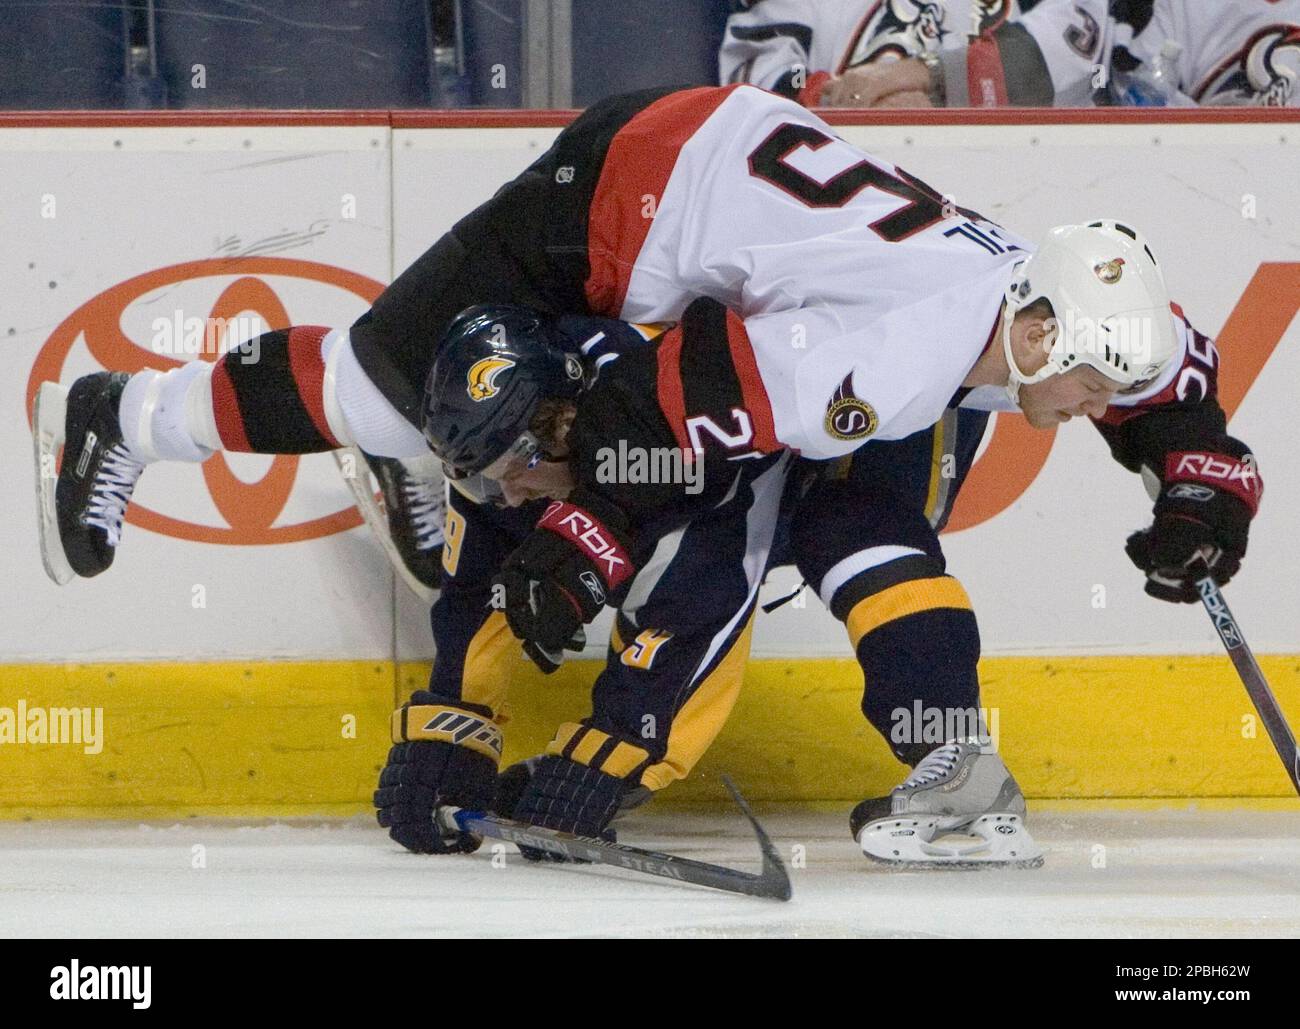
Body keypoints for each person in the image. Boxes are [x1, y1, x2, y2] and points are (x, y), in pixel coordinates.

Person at [33, 82, 1260, 865]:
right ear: (1035, 332)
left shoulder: (1046, 305)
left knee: (845, 527)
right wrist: (585, 547)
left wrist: (1198, 491)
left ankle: (945, 753)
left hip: (731, 206)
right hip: (634, 189)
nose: (1098, 411)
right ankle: (128, 414)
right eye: (1089, 391)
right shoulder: (878, 366)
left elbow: (1173, 388)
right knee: (385, 387)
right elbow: (665, 412)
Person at [720, 0, 1300, 108]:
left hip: (1052, 226)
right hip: (860, 219)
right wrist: (847, 108)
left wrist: (935, 80)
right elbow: (752, 82)